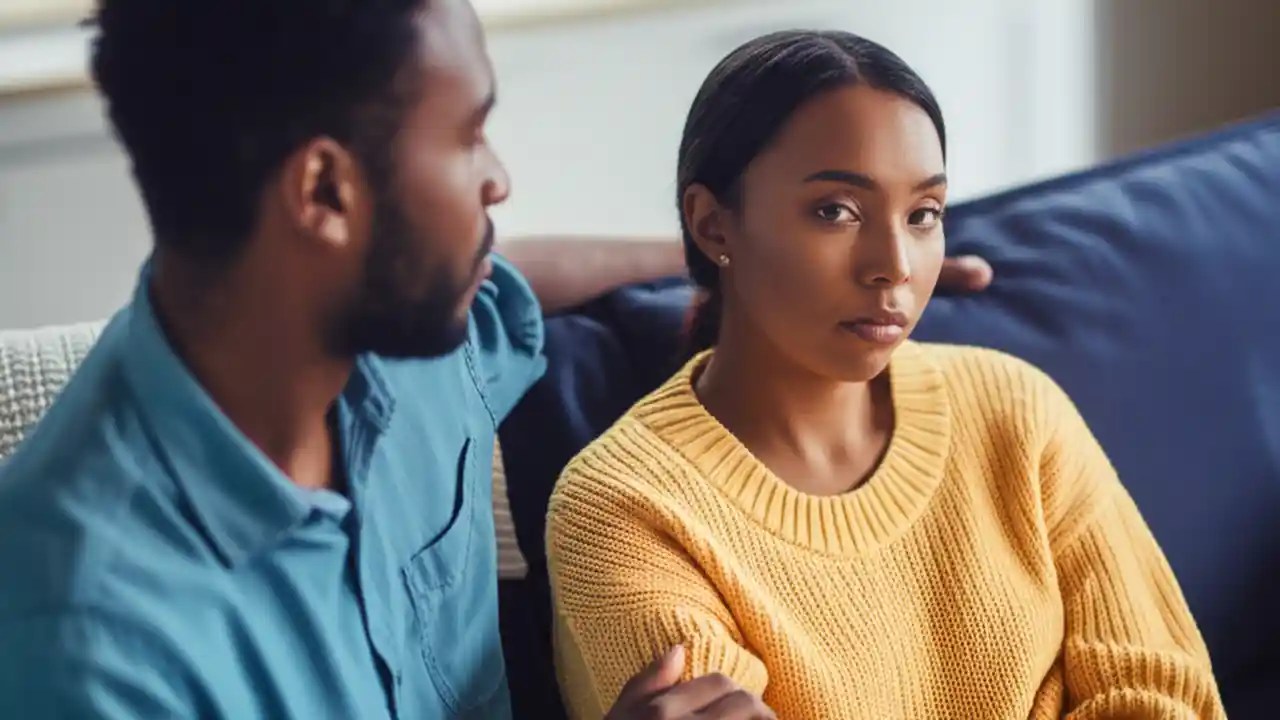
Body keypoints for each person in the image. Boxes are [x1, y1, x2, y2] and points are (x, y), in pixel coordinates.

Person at [0, 2, 989, 718]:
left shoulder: (403, 346)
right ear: (326, 193)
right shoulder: (87, 646)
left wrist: (757, 261)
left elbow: (513, 274)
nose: (497, 178)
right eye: (468, 135)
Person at [546, 30, 1225, 720]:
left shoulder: (1016, 411)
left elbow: (1164, 700)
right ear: (713, 226)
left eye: (923, 214)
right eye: (835, 210)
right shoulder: (625, 509)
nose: (895, 264)